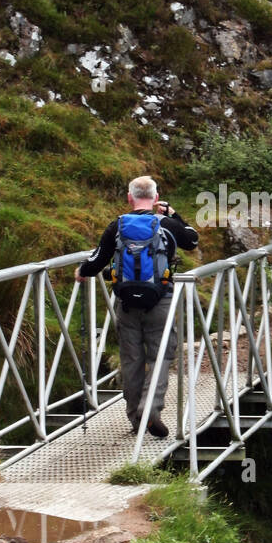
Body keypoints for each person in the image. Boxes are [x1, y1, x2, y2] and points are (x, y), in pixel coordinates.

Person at [75, 176, 199, 438]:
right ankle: (150, 409)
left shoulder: (117, 226)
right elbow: (192, 240)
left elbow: (97, 259)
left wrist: (82, 271)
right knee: (161, 356)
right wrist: (176, 216)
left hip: (126, 303)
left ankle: (135, 420)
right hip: (160, 299)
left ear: (130, 198)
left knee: (132, 360)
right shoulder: (164, 223)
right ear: (155, 199)